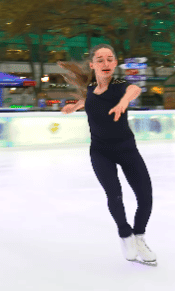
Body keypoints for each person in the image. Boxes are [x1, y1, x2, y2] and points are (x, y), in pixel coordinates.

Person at [60, 44, 157, 264]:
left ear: (115, 63)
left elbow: (134, 90)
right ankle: (126, 235)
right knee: (114, 195)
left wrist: (123, 102)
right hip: (100, 152)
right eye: (100, 60)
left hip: (127, 149)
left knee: (145, 196)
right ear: (92, 65)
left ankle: (139, 237)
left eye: (110, 59)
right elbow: (91, 100)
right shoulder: (91, 87)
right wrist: (75, 106)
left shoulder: (120, 86)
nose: (106, 63)